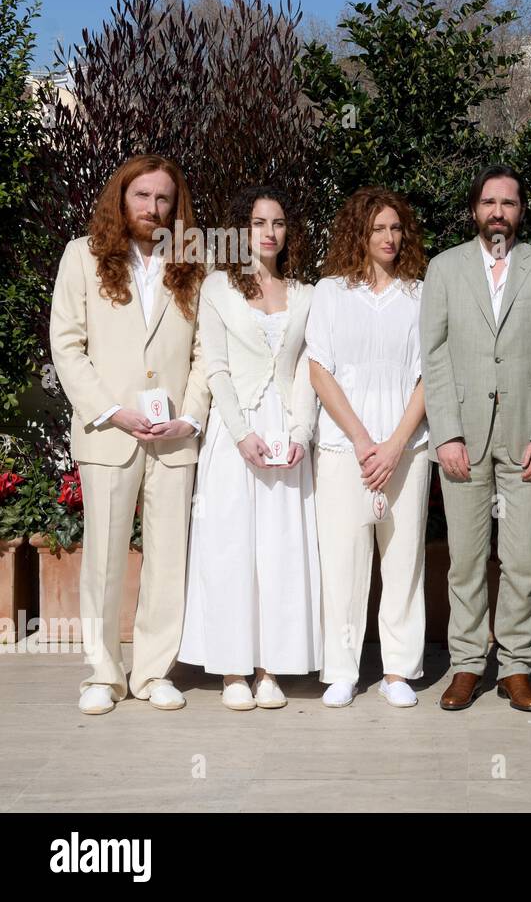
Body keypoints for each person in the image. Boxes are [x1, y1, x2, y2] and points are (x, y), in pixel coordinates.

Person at [49, 154, 209, 714]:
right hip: (108, 433)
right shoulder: (82, 256)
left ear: (176, 205)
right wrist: (113, 411)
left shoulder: (194, 261)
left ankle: (153, 672)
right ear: (122, 198)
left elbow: (203, 351)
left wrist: (190, 417)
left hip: (173, 438)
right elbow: (66, 346)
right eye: (142, 196)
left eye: (164, 198)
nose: (152, 208)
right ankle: (102, 673)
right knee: (104, 557)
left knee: (169, 558)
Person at [421, 166, 531, 713]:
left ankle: (517, 667)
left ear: (521, 210)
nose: (498, 211)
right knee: (465, 560)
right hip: (463, 441)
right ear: (474, 210)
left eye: (508, 202)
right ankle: (465, 665)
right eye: (488, 202)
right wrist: (447, 434)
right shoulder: (445, 268)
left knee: (524, 560)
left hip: (527, 438)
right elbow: (433, 355)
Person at [178, 186, 321, 710]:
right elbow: (213, 365)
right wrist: (241, 434)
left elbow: (309, 367)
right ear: (242, 231)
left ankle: (270, 668)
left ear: (288, 232)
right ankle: (232, 669)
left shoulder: (306, 292)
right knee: (232, 546)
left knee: (280, 549)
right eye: (259, 222)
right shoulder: (217, 286)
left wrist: (303, 432)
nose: (269, 231)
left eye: (279, 223)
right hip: (234, 433)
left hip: (287, 433)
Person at [306, 187, 431, 708]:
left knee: (403, 561)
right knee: (343, 561)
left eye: (396, 228)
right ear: (359, 232)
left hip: (408, 448)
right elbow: (319, 369)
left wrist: (396, 444)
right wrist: (363, 441)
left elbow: (429, 373)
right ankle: (342, 670)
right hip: (343, 449)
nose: (389, 237)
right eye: (378, 228)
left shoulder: (420, 293)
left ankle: (399, 672)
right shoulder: (330, 292)